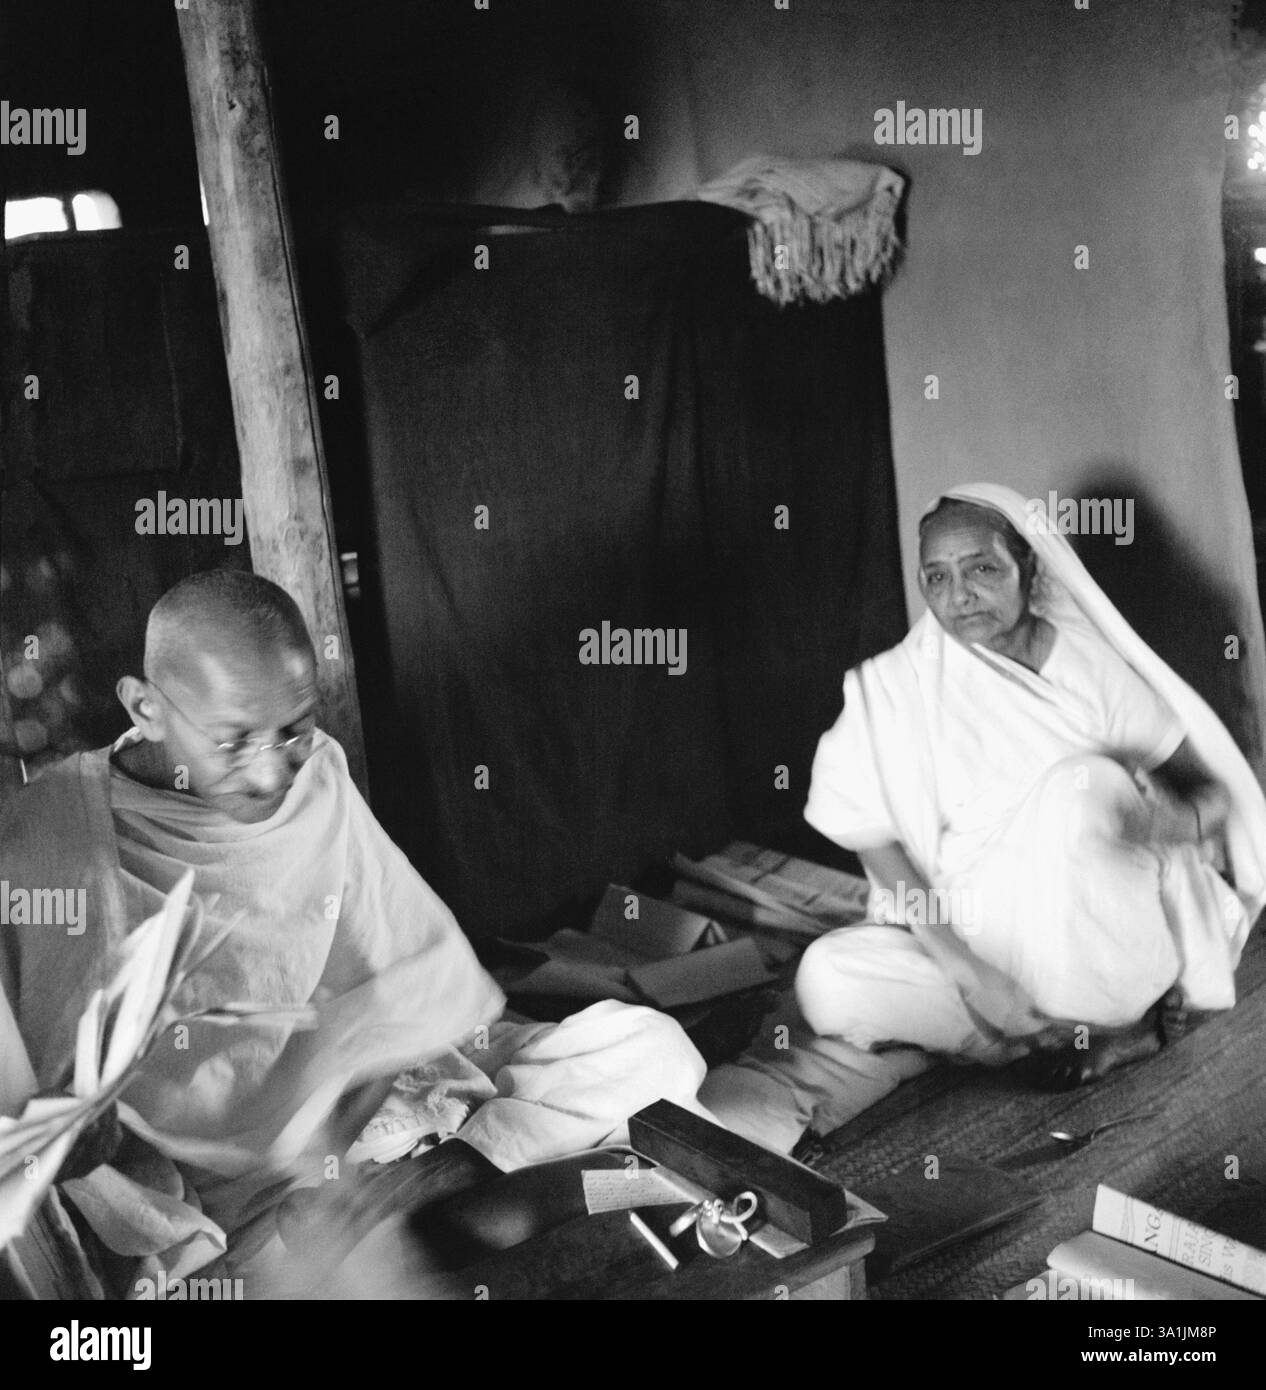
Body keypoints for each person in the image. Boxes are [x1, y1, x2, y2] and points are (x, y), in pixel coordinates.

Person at [0, 570, 706, 1289]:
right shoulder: (51, 834)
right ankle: (483, 1198)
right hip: (237, 1202)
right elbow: (46, 1113)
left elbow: (402, 988)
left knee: (655, 1050)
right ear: (146, 707)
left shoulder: (318, 775)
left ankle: (435, 1184)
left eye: (292, 729)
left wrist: (350, 1159)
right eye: (234, 741)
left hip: (376, 1118)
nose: (273, 771)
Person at [702, 482, 1266, 1149]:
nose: (959, 594)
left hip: (1091, 921)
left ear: (1031, 567)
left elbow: (1210, 792)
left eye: (982, 569)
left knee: (1078, 786)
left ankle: (1093, 1016)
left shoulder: (1092, 669)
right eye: (936, 578)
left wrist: (1175, 825)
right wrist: (974, 977)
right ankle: (1056, 1031)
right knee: (826, 979)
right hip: (974, 929)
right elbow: (880, 850)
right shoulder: (902, 684)